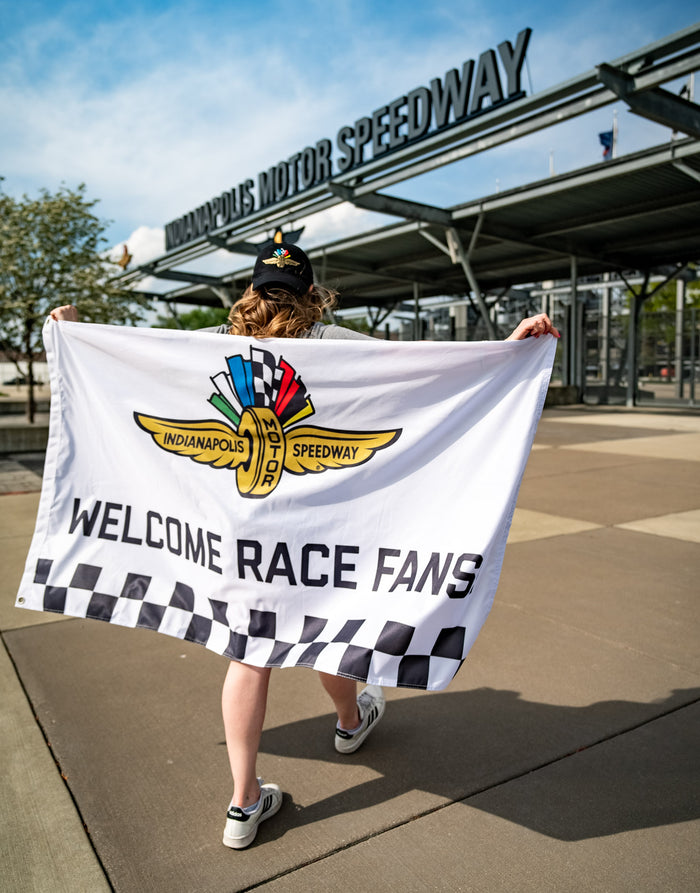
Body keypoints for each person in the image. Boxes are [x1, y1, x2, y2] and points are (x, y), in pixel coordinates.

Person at [50, 240, 559, 849]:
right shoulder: (335, 344)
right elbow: (427, 369)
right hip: (316, 530)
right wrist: (508, 351)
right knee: (326, 626)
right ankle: (350, 720)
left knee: (249, 653)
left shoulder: (214, 343)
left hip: (238, 535)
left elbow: (141, 359)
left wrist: (78, 333)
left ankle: (243, 804)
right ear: (311, 294)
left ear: (251, 291)